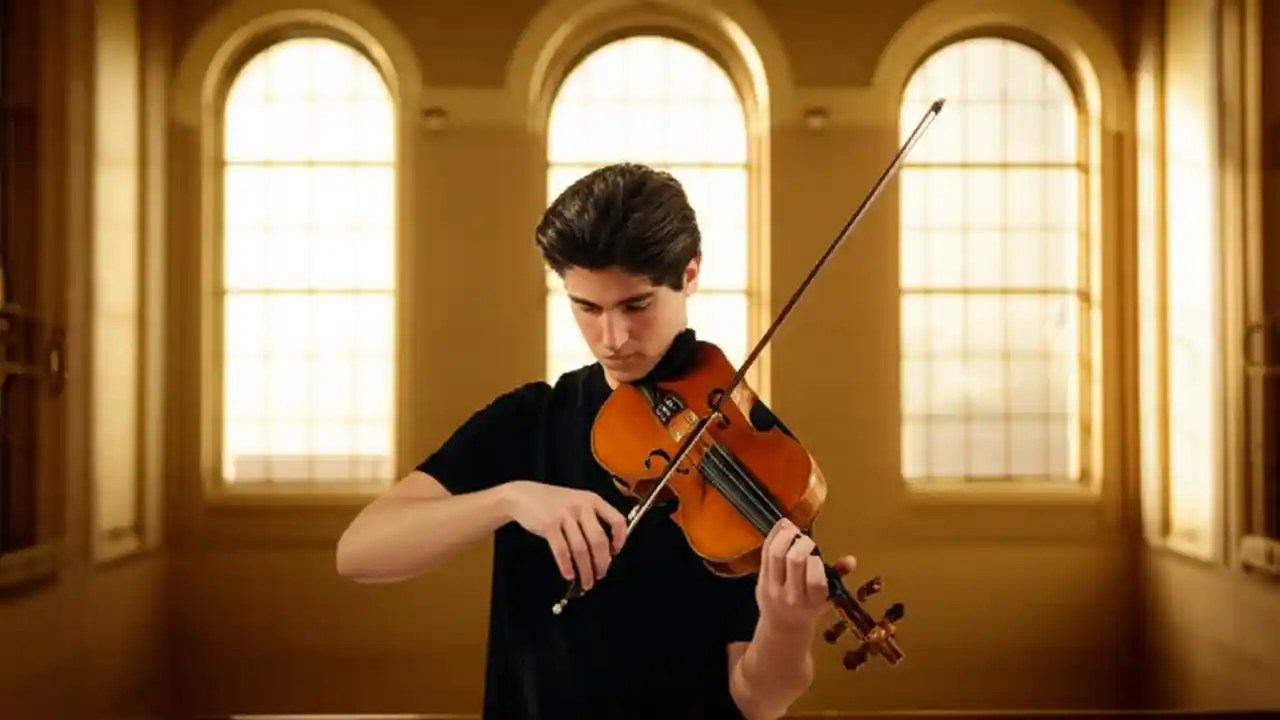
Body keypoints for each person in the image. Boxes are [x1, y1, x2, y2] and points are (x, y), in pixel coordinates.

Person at [335, 163, 857, 719]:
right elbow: (359, 552)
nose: (613, 339)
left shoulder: (757, 450)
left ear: (691, 274)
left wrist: (785, 624)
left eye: (637, 305)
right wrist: (510, 498)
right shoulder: (528, 419)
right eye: (587, 307)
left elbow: (758, 700)